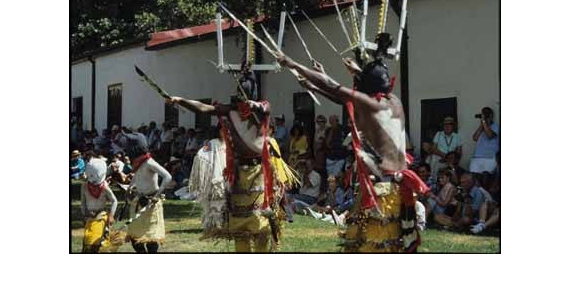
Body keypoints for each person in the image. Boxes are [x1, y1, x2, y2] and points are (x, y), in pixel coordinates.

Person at [277, 32, 429, 252]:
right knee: (392, 246)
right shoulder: (394, 102)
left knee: (373, 247)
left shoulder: (371, 104)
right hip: (397, 187)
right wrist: (348, 75)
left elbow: (335, 89)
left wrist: (293, 64)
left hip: (383, 189)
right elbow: (347, 94)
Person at [167, 62, 294, 252]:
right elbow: (203, 108)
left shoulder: (261, 108)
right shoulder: (229, 110)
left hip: (260, 172)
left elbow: (264, 107)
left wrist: (254, 105)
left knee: (261, 224)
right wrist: (179, 100)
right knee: (240, 224)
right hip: (239, 173)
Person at [124, 132, 172, 253]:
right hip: (139, 201)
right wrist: (130, 187)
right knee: (135, 238)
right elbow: (137, 175)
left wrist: (157, 195)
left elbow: (167, 176)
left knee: (151, 238)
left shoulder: (149, 162)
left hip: (151, 204)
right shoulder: (138, 162)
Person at [81, 158, 118, 253]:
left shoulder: (104, 187)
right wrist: (84, 214)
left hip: (101, 216)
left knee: (95, 242)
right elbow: (83, 202)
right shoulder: (84, 186)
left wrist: (111, 216)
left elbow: (114, 201)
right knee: (87, 240)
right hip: (89, 218)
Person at [470, 107, 500, 175]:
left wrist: (484, 122)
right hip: (477, 157)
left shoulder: (496, 126)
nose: (484, 116)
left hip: (489, 158)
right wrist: (482, 124)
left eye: (486, 114)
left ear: (491, 115)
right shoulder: (482, 126)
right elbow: (475, 138)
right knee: (474, 178)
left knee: (486, 180)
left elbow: (490, 136)